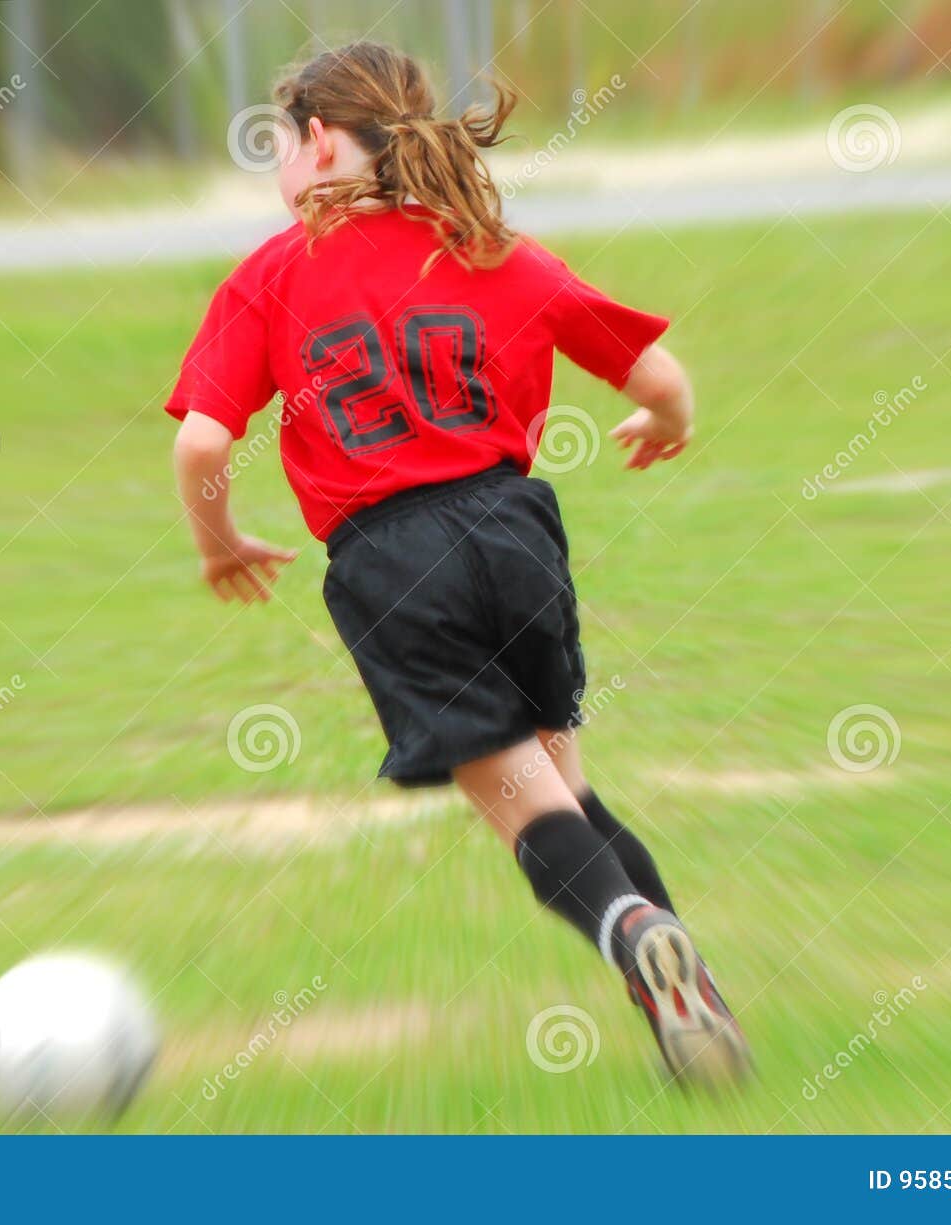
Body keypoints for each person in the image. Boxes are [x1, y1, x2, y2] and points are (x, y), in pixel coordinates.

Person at [167, 41, 748, 1085]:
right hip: (516, 533)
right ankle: (683, 996)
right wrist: (666, 420)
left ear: (316, 141)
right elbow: (658, 376)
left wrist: (219, 544)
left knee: (525, 817)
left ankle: (627, 930)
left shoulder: (270, 275)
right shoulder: (491, 252)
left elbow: (203, 444)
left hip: (392, 562)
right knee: (562, 794)